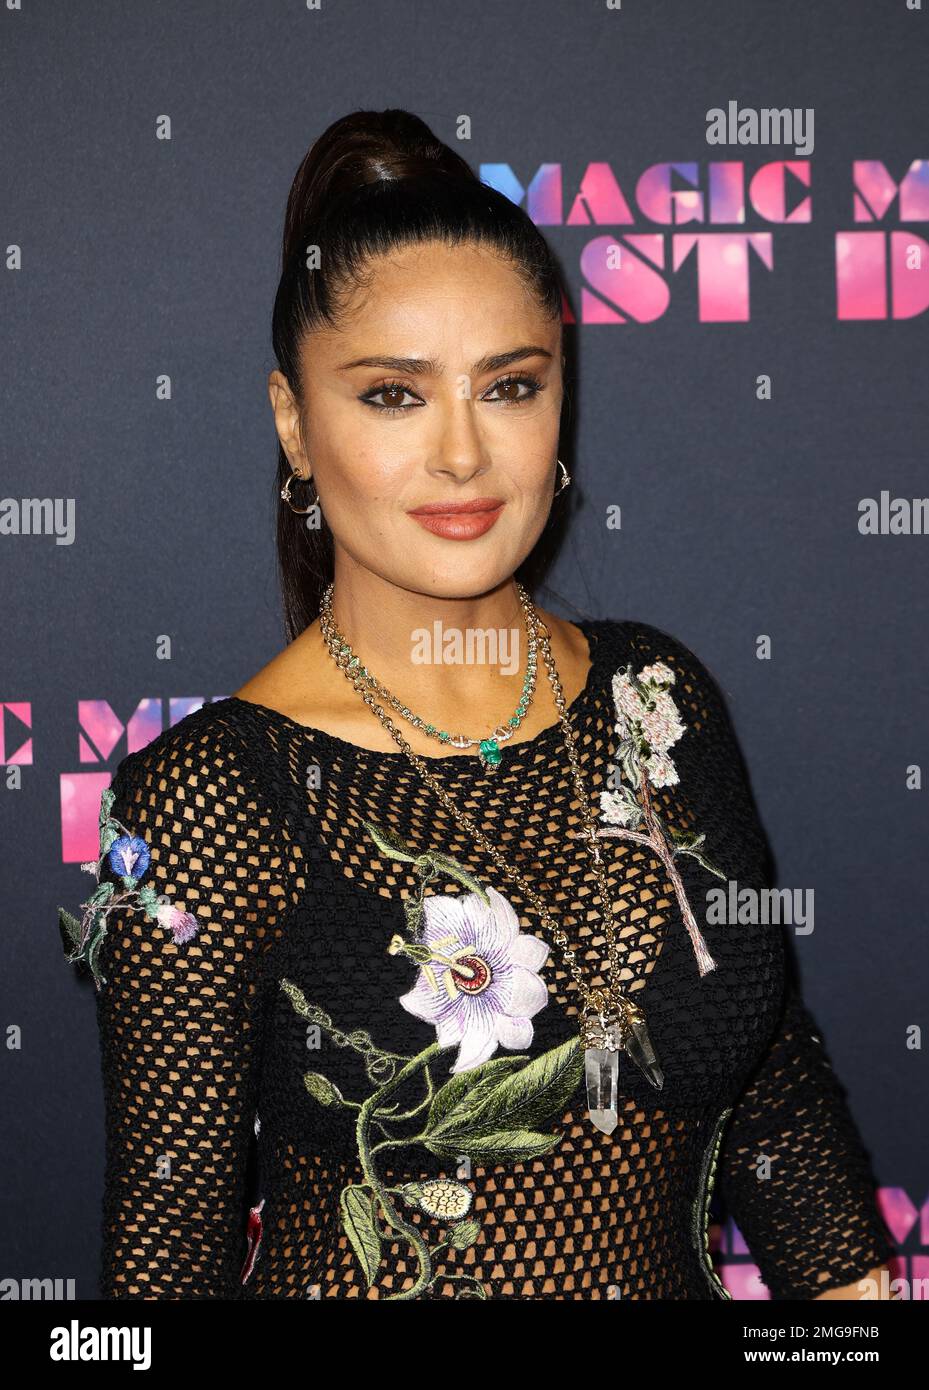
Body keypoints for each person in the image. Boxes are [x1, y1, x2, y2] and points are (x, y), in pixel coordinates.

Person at [59, 107, 896, 1301]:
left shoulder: (657, 696)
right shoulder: (210, 797)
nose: (462, 454)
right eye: (393, 396)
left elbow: (775, 1096)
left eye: (507, 386)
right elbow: (165, 1255)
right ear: (294, 425)